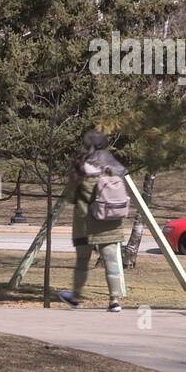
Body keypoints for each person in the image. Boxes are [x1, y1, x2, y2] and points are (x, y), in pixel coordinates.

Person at [58, 130, 128, 313]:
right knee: (111, 261)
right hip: (111, 220)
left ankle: (75, 297)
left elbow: (71, 196)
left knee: (82, 261)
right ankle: (114, 300)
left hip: (84, 222)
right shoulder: (114, 167)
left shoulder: (80, 168)